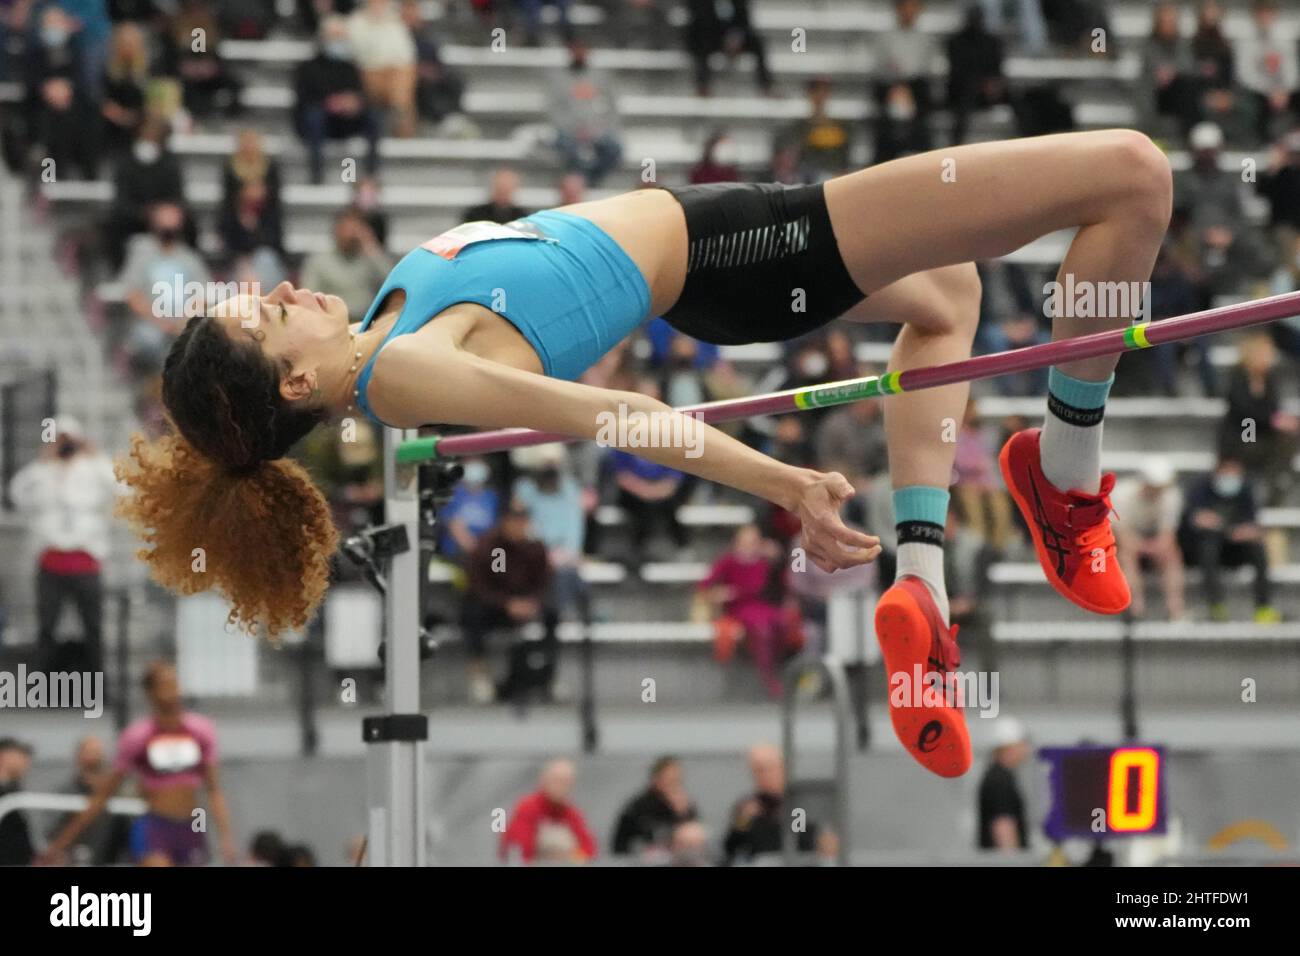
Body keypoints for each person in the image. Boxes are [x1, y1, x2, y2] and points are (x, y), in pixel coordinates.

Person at [119, 128, 1175, 781]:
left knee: (951, 297)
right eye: (272, 317)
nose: (290, 291)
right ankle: (1063, 476)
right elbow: (609, 418)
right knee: (1131, 175)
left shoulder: (388, 322)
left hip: (720, 251)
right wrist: (785, 483)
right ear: (294, 383)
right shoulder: (398, 372)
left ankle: (923, 589)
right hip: (740, 248)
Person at [43, 661, 238, 866]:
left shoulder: (201, 731)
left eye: (175, 682)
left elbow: (213, 789)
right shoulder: (138, 737)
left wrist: (226, 836)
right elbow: (104, 794)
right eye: (164, 684)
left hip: (192, 824)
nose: (172, 689)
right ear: (150, 692)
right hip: (155, 825)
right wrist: (61, 843)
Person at [7, 417, 120, 675]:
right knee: (47, 627)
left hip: (86, 558)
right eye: (60, 439)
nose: (65, 445)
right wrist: (43, 460)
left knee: (93, 626)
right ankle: (43, 687)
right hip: (50, 560)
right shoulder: (42, 470)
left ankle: (97, 687)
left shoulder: (93, 467)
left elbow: (123, 487)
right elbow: (16, 495)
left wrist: (96, 454)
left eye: (69, 440)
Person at [460, 502, 557, 705]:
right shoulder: (497, 549)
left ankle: (548, 677)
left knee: (552, 614)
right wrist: (508, 603)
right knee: (473, 612)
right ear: (504, 523)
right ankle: (479, 673)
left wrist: (532, 602)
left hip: (526, 606)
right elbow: (494, 582)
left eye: (522, 521)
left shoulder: (535, 549)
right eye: (514, 521)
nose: (518, 526)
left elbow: (544, 582)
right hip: (496, 608)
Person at [1178, 453, 1280, 623]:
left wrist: (1244, 532)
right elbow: (1193, 522)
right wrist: (1215, 526)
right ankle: (1216, 606)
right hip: (1202, 551)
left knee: (1258, 548)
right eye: (1227, 472)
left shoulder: (1245, 490)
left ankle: (1263, 608)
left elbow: (1253, 525)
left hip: (1233, 549)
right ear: (1217, 472)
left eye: (1235, 472)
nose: (1231, 477)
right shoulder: (1200, 488)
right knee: (1208, 544)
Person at [698, 526, 790, 698]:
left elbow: (778, 584)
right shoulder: (728, 560)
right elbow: (705, 584)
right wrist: (720, 593)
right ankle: (768, 678)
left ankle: (779, 667)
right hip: (740, 608)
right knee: (762, 630)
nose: (749, 546)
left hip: (761, 606)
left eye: (754, 542)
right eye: (745, 542)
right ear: (736, 543)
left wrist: (778, 558)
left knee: (782, 623)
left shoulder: (764, 561)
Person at [293, 15, 382, 184]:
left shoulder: (351, 67)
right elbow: (303, 99)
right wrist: (329, 104)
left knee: (374, 116)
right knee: (314, 116)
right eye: (335, 36)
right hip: (319, 122)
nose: (338, 40)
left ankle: (371, 174)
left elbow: (360, 95)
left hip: (346, 121)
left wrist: (354, 103)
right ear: (323, 38)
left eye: (341, 36)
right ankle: (317, 175)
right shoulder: (308, 68)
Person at [1112, 457, 1186, 621]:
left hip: (1153, 541)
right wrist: (1141, 546)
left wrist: (1157, 546)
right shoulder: (1120, 495)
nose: (1156, 491)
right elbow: (1122, 535)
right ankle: (1135, 606)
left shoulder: (1172, 497)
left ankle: (1175, 608)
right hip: (1128, 541)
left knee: (1172, 554)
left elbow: (1167, 535)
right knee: (1125, 555)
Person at [722, 743, 816, 864]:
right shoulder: (746, 806)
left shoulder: (798, 803)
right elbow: (731, 848)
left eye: (768, 768)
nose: (764, 775)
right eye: (757, 771)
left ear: (782, 768)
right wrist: (743, 820)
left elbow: (805, 843)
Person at [299, 207, 392, 319]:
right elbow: (308, 297)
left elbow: (392, 283)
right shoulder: (318, 261)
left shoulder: (370, 258)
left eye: (355, 229)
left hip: (366, 322)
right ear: (336, 231)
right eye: (346, 229)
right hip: (331, 321)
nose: (350, 234)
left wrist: (371, 247)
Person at [50, 737, 129, 865]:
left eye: (97, 752)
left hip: (110, 858)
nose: (94, 757)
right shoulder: (65, 791)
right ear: (78, 756)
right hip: (73, 858)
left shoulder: (118, 793)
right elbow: (53, 829)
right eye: (89, 752)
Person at [501, 758, 597, 863]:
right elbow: (519, 850)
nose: (561, 787)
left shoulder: (572, 813)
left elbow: (589, 850)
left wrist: (571, 858)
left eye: (566, 782)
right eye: (557, 780)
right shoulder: (527, 808)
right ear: (544, 780)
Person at [610, 755, 697, 856]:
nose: (674, 785)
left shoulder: (684, 804)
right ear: (656, 779)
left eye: (677, 780)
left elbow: (694, 832)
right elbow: (647, 836)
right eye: (670, 779)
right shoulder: (640, 806)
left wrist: (682, 813)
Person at [977, 717, 1030, 852]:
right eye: (1022, 744)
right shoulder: (1000, 781)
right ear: (1009, 747)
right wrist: (1011, 861)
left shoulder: (997, 776)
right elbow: (1003, 825)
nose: (1026, 750)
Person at [0, 738, 34, 866]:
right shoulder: (7, 797)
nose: (26, 761)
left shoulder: (15, 793)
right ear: (4, 756)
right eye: (20, 755)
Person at [462, 168, 529, 224]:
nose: (503, 193)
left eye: (506, 189)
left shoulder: (522, 216)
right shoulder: (475, 214)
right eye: (500, 188)